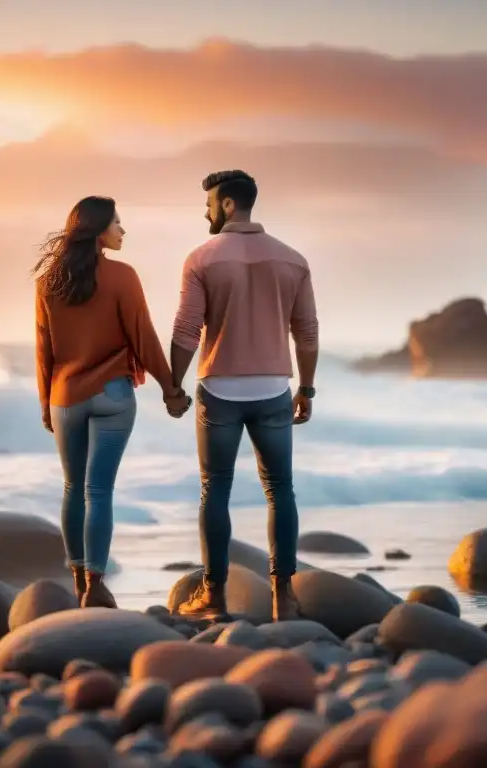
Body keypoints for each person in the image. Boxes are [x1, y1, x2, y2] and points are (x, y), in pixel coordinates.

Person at [168, 170, 319, 622]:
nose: (206, 211)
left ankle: (213, 596)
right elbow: (307, 333)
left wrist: (173, 385)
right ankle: (283, 596)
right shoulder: (293, 260)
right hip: (274, 388)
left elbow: (185, 330)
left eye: (210, 202)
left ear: (229, 204)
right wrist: (306, 388)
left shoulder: (202, 258)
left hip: (220, 390)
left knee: (215, 489)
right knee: (281, 491)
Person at [35, 196, 191, 609]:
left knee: (72, 489)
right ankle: (95, 585)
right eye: (117, 223)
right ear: (99, 229)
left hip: (64, 397)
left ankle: (76, 579)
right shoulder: (122, 276)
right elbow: (143, 335)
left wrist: (44, 403)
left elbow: (44, 348)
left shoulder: (48, 281)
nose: (123, 230)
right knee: (98, 491)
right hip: (113, 396)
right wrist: (170, 389)